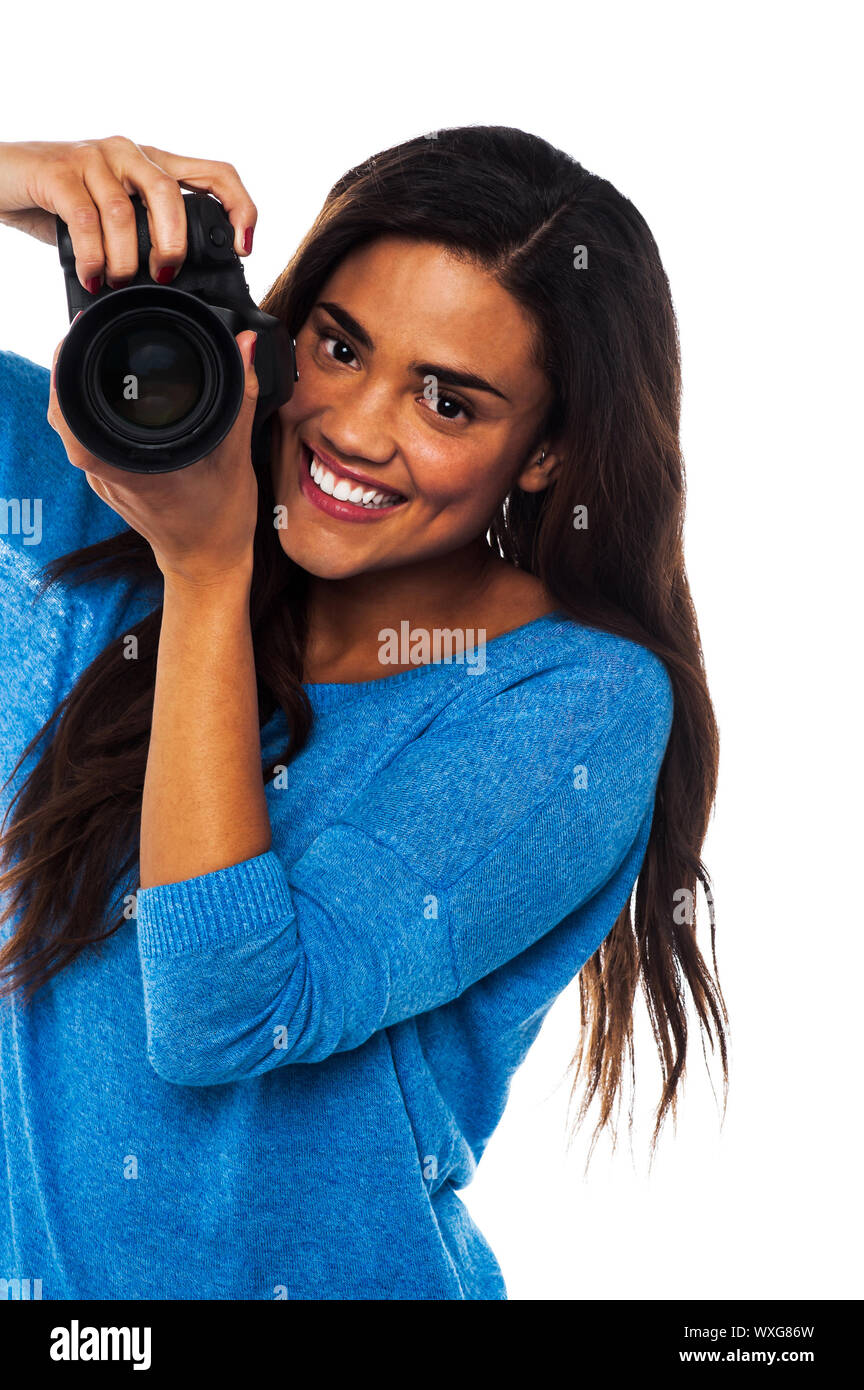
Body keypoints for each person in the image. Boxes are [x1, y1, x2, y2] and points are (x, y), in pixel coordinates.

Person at [0, 127, 726, 1301]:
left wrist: (205, 573)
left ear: (543, 454)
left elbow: (222, 1014)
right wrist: (19, 180)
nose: (355, 427)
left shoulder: (574, 702)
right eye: (340, 347)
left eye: (449, 401)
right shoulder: (89, 501)